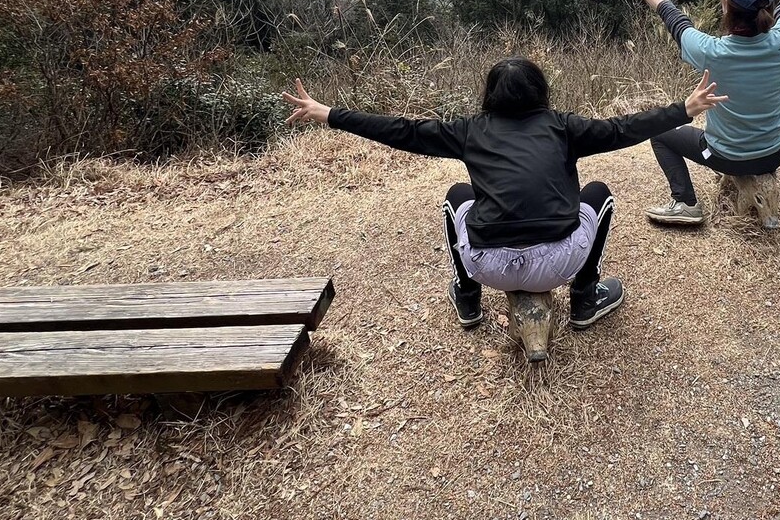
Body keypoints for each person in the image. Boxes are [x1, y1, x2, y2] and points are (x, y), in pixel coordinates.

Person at [280, 59, 727, 329]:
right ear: (540, 92)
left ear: (490, 95)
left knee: (457, 195)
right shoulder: (563, 127)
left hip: (488, 264)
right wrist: (682, 109)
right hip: (558, 262)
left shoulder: (470, 131)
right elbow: (622, 129)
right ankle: (585, 296)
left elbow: (401, 131)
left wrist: (328, 113)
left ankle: (468, 297)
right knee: (600, 193)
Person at [618, 0, 780, 226]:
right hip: (777, 152)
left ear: (726, 7)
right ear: (766, 6)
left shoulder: (713, 52)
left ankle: (685, 203)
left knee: (660, 134)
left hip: (727, 156)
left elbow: (674, 19)